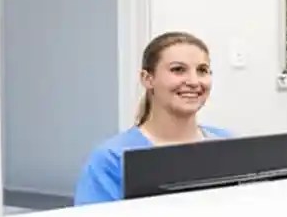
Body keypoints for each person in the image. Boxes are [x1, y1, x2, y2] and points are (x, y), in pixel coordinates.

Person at [74, 32, 231, 205]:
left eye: (202, 70)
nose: (194, 81)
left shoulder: (228, 145)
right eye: (178, 70)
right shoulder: (113, 159)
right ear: (148, 79)